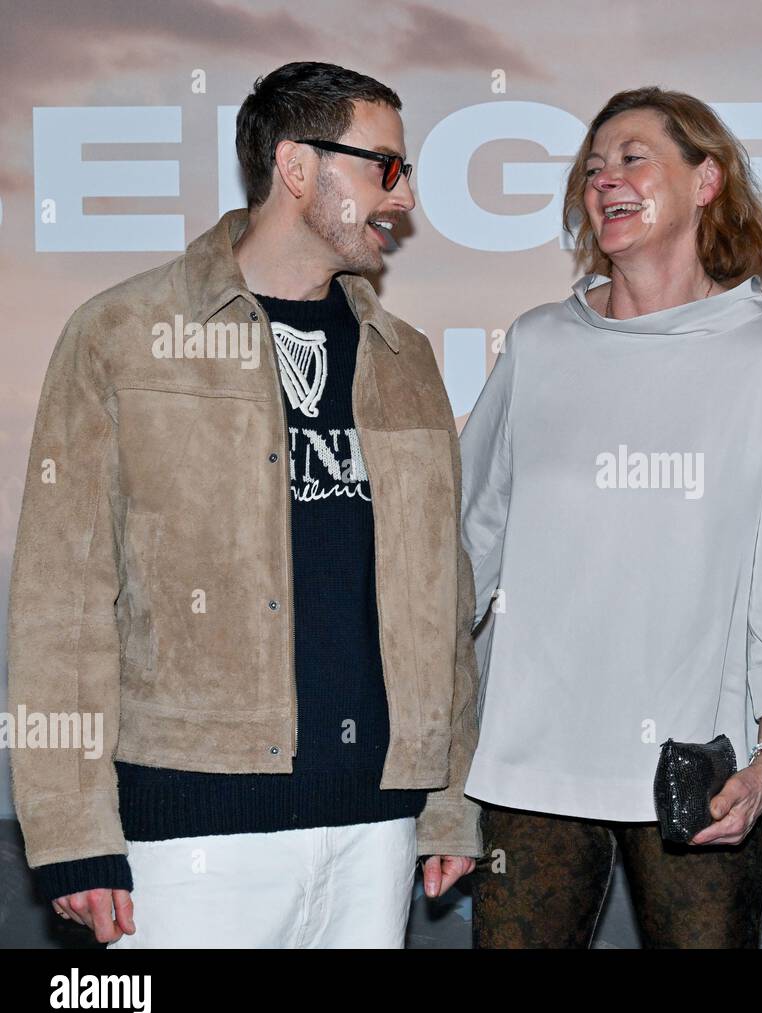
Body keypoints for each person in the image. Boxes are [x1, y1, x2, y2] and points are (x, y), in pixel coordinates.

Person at [6, 61, 480, 948]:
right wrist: (73, 835)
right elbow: (59, 604)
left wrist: (446, 800)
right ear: (297, 168)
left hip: (376, 832)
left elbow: (439, 601)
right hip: (190, 839)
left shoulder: (402, 355)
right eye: (386, 166)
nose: (405, 196)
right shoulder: (123, 334)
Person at [459, 87, 762, 948]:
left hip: (703, 765)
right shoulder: (537, 344)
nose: (607, 180)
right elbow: (466, 548)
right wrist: (440, 750)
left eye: (634, 157)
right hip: (532, 760)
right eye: (593, 168)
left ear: (707, 180)